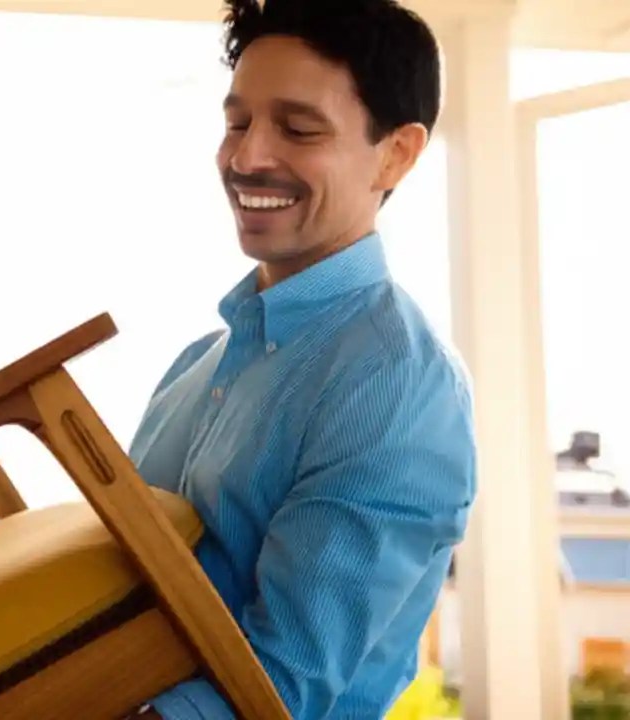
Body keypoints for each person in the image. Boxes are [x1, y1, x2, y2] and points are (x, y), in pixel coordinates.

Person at [129, 1, 475, 718]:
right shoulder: (200, 361)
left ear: (397, 153)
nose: (246, 156)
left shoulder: (395, 386)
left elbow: (275, 690)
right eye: (237, 122)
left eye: (298, 128)